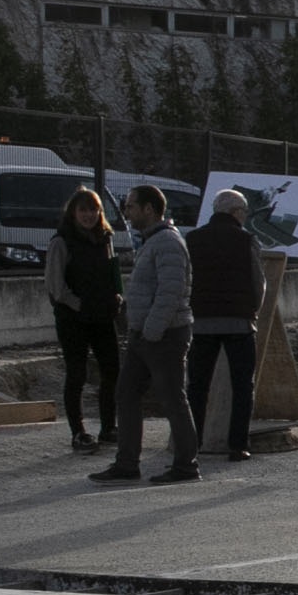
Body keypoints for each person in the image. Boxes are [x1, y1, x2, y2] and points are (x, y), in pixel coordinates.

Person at [95, 184, 198, 485]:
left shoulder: (167, 242)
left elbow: (171, 290)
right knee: (125, 394)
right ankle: (127, 463)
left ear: (149, 209)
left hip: (164, 335)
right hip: (145, 335)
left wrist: (151, 330)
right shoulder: (152, 241)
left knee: (173, 400)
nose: (126, 212)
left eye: (130, 206)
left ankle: (186, 465)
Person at [44, 184, 123, 454]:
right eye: (84, 210)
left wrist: (116, 297)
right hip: (73, 318)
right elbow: (56, 287)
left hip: (102, 315)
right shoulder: (61, 242)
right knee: (76, 373)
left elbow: (113, 273)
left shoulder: (105, 238)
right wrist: (79, 305)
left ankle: (108, 427)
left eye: (94, 210)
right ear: (73, 213)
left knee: (111, 370)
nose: (89, 215)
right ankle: (78, 432)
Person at [186, 186, 261, 463]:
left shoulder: (192, 239)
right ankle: (238, 445)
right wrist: (253, 309)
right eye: (244, 212)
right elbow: (257, 281)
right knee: (242, 385)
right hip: (239, 322)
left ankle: (191, 443)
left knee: (197, 385)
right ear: (236, 212)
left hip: (201, 321)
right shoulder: (246, 240)